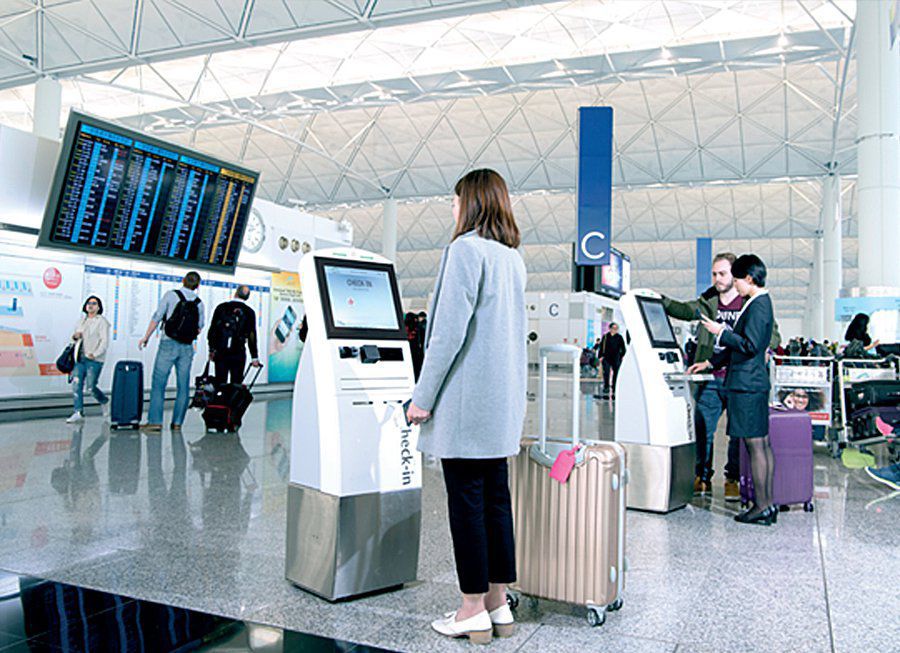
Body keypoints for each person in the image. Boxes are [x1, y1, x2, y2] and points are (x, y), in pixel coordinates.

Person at [406, 169, 526, 643]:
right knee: (497, 501)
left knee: (467, 504)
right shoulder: (511, 259)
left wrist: (422, 398)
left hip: (465, 403)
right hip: (501, 405)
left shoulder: (465, 251)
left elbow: (448, 334)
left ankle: (470, 608)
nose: (452, 209)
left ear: (471, 203)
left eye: (455, 201)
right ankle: (498, 603)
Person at [663, 252, 780, 500]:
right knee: (704, 428)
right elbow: (684, 310)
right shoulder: (708, 302)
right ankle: (702, 476)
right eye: (715, 274)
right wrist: (659, 301)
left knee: (743, 437)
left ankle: (735, 480)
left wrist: (761, 348)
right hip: (714, 376)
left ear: (740, 276)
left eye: (724, 274)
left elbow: (763, 337)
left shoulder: (752, 302)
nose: (718, 279)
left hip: (742, 380)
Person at [688, 254, 777, 526]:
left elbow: (748, 345)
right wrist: (710, 362)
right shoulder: (758, 303)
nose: (734, 286)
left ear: (748, 279)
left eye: (736, 279)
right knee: (760, 444)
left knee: (756, 445)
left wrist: (720, 332)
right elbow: (740, 347)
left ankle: (762, 506)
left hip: (746, 386)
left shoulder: (758, 305)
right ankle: (767, 504)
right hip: (752, 384)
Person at [138, 272, 204, 433]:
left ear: (183, 281)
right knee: (183, 386)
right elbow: (199, 327)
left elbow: (157, 317)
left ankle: (155, 422)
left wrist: (146, 337)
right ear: (197, 286)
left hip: (168, 343)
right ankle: (177, 423)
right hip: (187, 347)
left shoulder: (171, 295)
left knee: (159, 383)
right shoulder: (199, 303)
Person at [66, 296, 111, 423]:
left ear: (98, 307)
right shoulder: (81, 321)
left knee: (91, 387)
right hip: (79, 358)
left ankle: (105, 401)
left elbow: (104, 341)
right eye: (89, 303)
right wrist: (75, 337)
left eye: (94, 303)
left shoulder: (102, 321)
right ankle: (78, 411)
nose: (90, 306)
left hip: (94, 359)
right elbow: (74, 339)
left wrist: (95, 354)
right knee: (76, 385)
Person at [207, 285, 261, 385]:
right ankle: (232, 400)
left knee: (220, 382)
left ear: (235, 293)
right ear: (247, 297)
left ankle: (220, 400)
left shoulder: (221, 308)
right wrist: (254, 357)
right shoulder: (249, 312)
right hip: (238, 352)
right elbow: (251, 335)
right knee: (236, 384)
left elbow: (212, 331)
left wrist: (212, 349)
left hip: (221, 352)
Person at [599, 323, 626, 397]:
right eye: (613, 328)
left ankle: (614, 387)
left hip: (616, 358)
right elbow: (601, 347)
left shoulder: (619, 337)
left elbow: (623, 348)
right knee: (606, 372)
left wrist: (621, 356)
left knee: (616, 373)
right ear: (610, 328)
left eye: (616, 328)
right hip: (606, 357)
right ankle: (606, 386)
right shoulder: (605, 337)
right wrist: (600, 356)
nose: (615, 330)